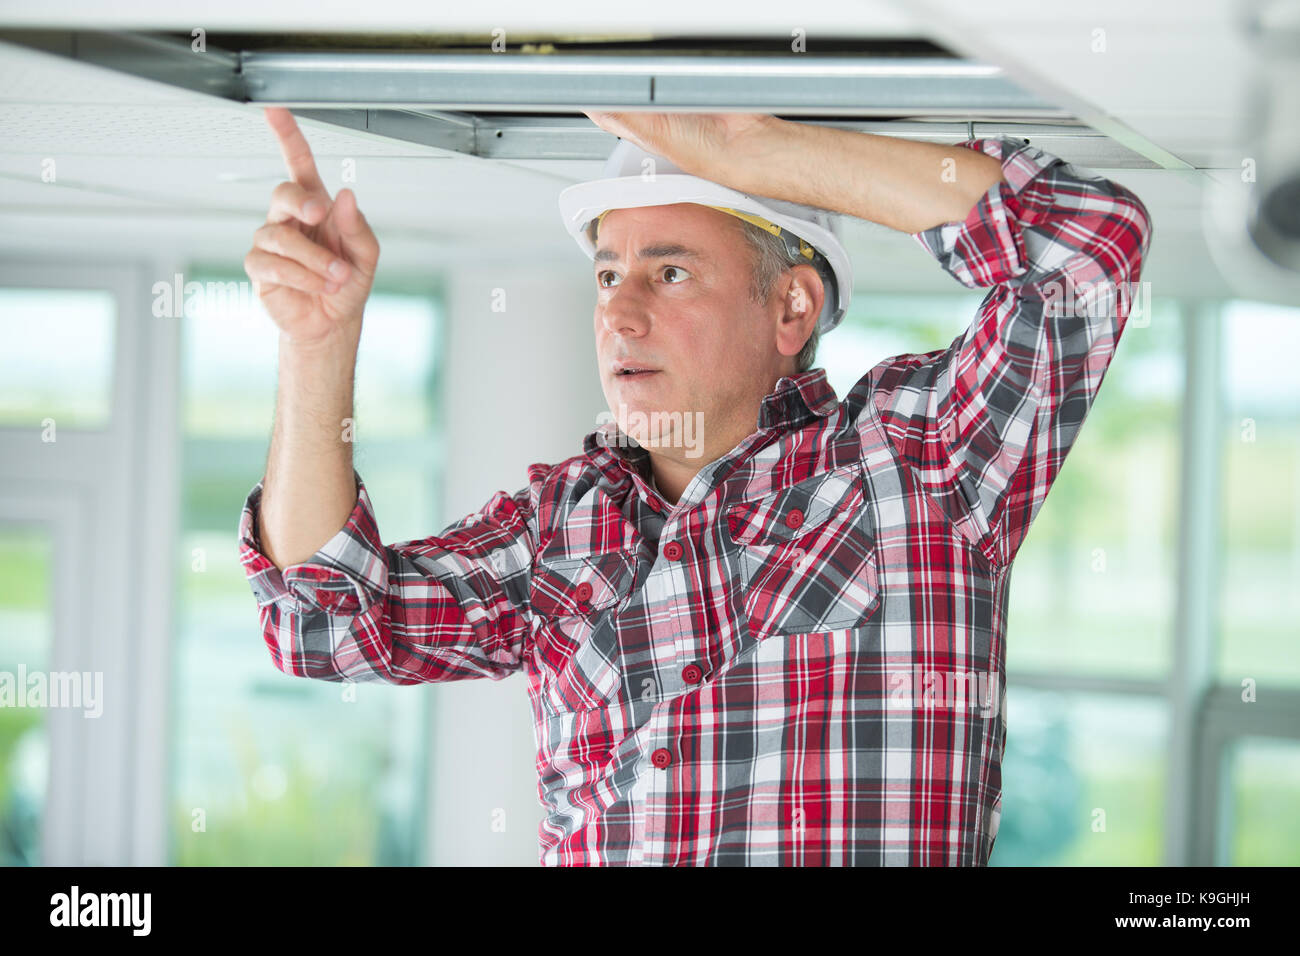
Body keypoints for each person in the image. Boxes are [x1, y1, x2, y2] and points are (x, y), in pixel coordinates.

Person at [239, 106, 1152, 866]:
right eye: (608, 274)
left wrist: (758, 153)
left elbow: (1086, 249)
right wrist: (316, 344)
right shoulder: (558, 525)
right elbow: (322, 622)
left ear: (791, 307)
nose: (619, 314)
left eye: (669, 272)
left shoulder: (919, 462)